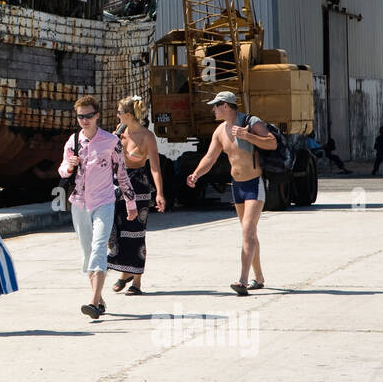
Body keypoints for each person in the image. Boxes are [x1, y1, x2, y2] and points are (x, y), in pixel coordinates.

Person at [185, 91, 277, 296]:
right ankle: (259, 277)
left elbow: (272, 142)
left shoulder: (250, 123)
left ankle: (243, 280)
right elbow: (210, 158)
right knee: (250, 233)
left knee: (247, 231)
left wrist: (248, 135)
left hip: (254, 183)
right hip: (237, 185)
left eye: (215, 106)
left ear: (225, 106)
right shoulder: (220, 131)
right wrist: (196, 174)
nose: (213, 110)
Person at [59, 96, 136, 319]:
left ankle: (92, 302)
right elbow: (62, 170)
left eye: (88, 115)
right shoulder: (73, 141)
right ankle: (100, 298)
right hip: (79, 203)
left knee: (99, 247)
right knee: (87, 253)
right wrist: (69, 166)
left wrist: (131, 203)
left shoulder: (111, 141)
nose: (84, 120)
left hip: (104, 201)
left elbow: (122, 174)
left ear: (97, 115)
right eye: (80, 116)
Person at [109, 96, 166, 294]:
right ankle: (125, 272)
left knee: (135, 233)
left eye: (118, 112)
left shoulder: (146, 136)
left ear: (127, 115)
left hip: (138, 187)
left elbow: (155, 168)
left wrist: (159, 193)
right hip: (116, 185)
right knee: (116, 231)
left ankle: (136, 282)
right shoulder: (119, 132)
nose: (117, 115)